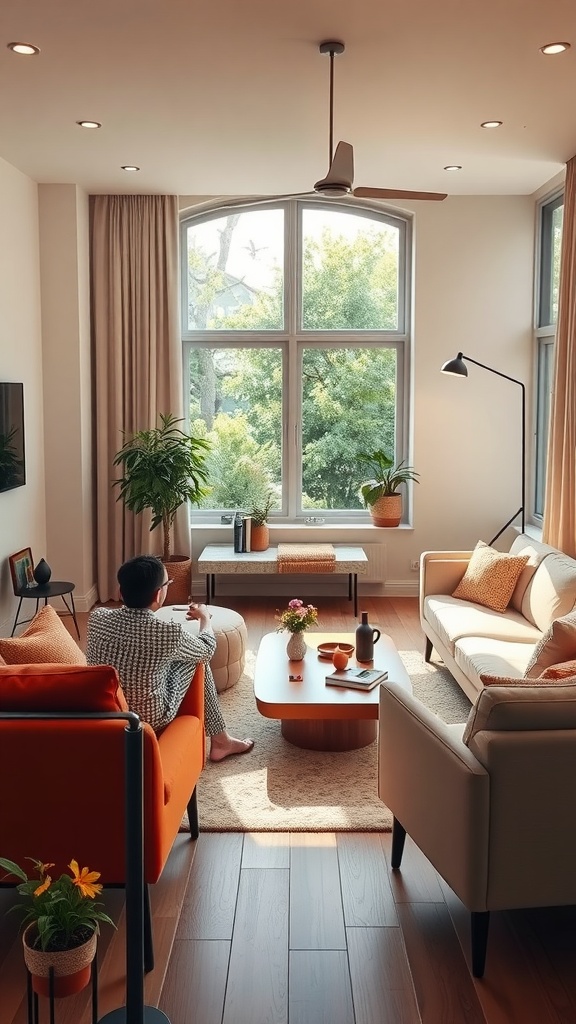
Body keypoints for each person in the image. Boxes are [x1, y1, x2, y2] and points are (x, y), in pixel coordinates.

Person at [86, 554, 254, 763]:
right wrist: (204, 618)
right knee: (196, 659)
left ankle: (221, 740)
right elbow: (207, 650)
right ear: (158, 594)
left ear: (120, 591)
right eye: (168, 583)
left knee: (177, 657)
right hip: (147, 718)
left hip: (103, 712)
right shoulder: (166, 633)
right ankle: (221, 741)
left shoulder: (97, 618)